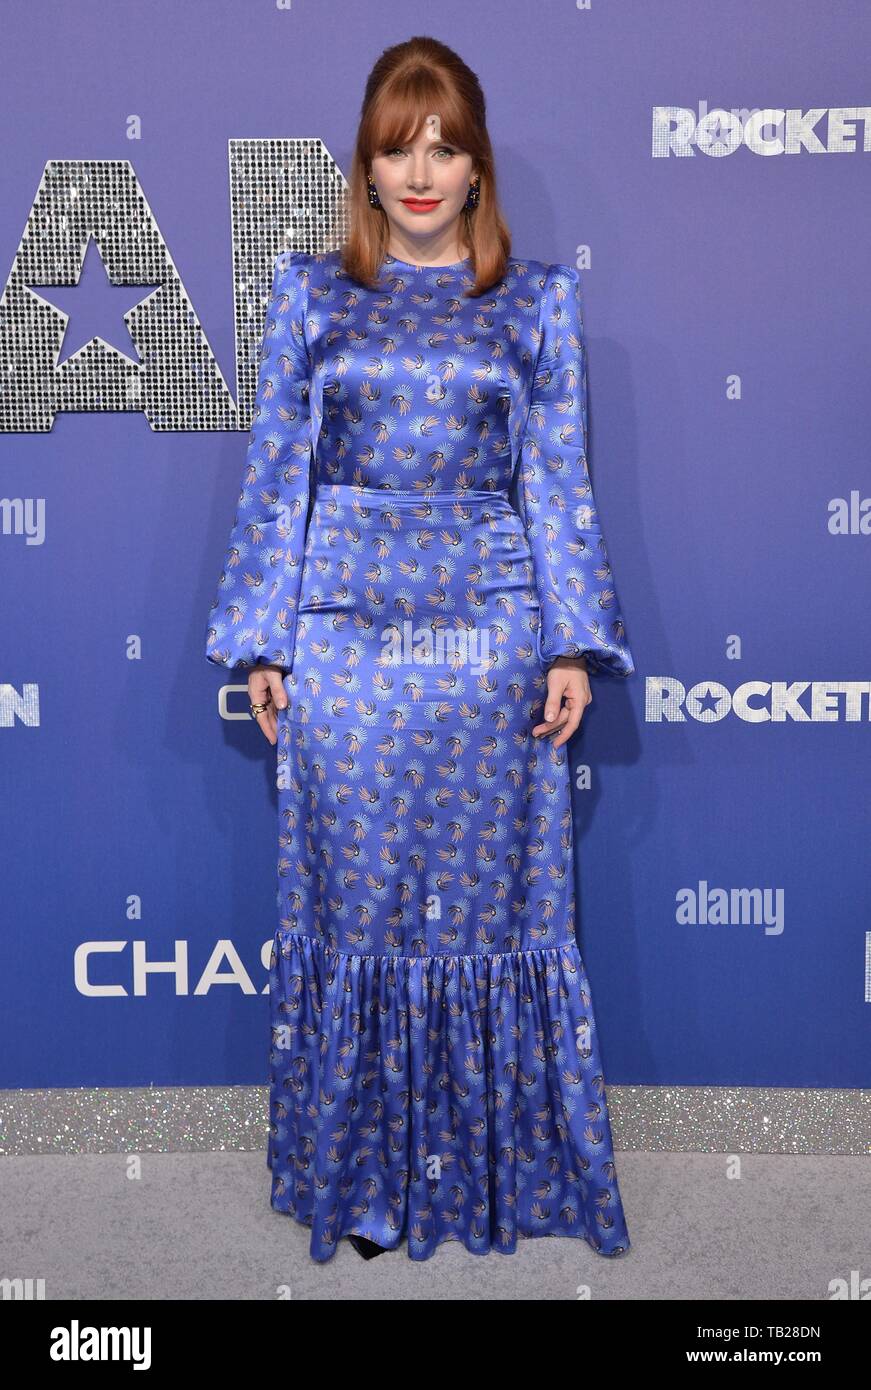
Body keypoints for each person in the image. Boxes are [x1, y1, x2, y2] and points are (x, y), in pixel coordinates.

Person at [204, 34, 635, 1264]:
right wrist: (264, 643)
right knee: (358, 903)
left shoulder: (537, 300)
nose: (423, 171)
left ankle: (495, 1176)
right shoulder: (309, 293)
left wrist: (568, 647)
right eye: (399, 148)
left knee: (490, 916)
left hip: (490, 642)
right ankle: (366, 1180)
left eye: (445, 147)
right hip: (342, 643)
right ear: (367, 164)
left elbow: (557, 484)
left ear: (479, 163)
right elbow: (278, 477)